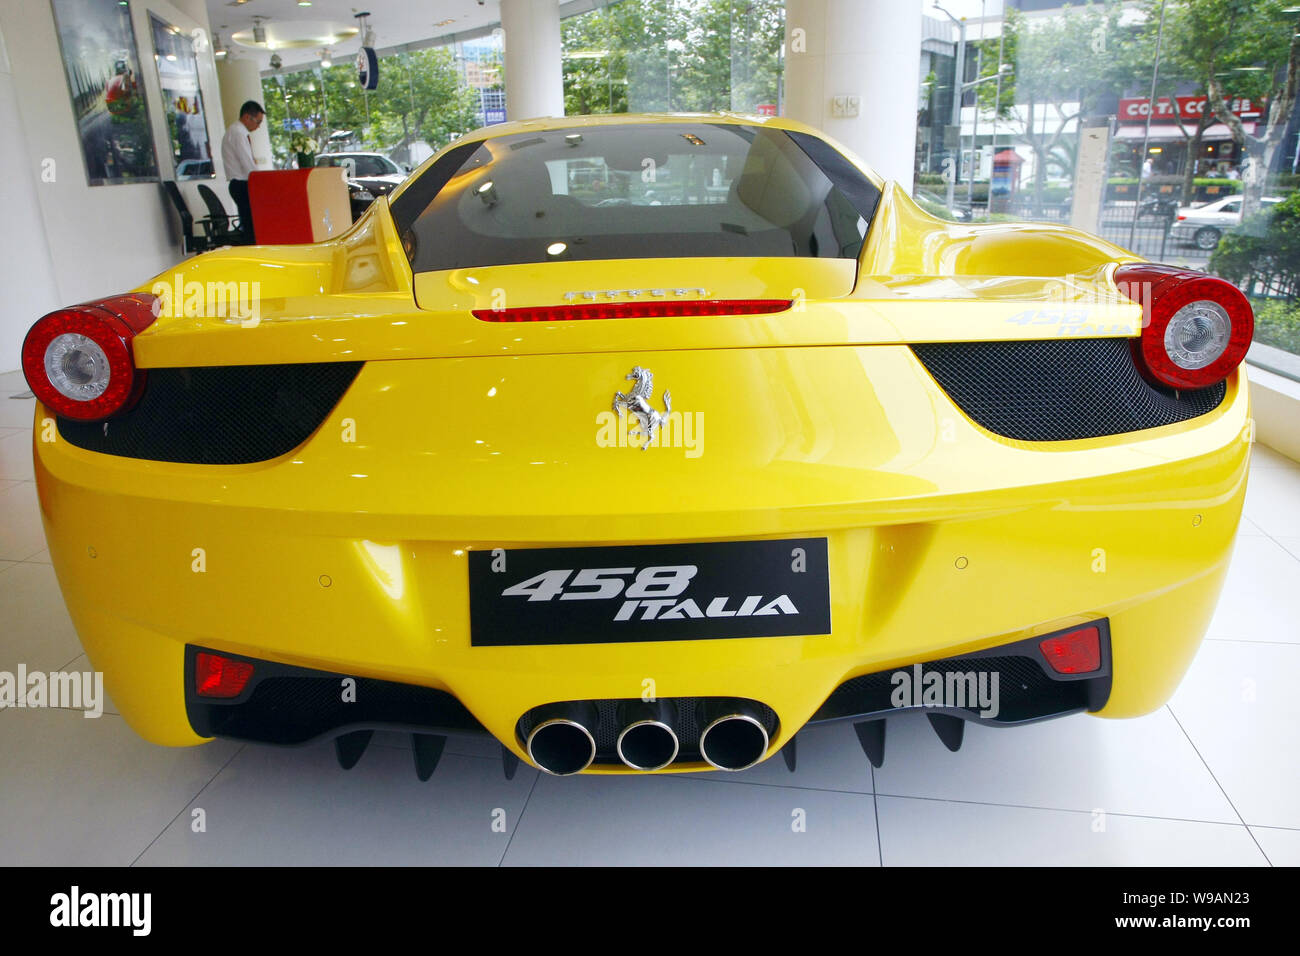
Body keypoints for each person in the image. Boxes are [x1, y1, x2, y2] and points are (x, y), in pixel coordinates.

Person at [221, 100, 264, 241]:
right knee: (251, 228)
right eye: (257, 122)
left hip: (240, 184)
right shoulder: (238, 134)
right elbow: (247, 164)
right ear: (247, 117)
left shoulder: (236, 131)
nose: (258, 127)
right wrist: (262, 182)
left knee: (250, 224)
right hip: (242, 185)